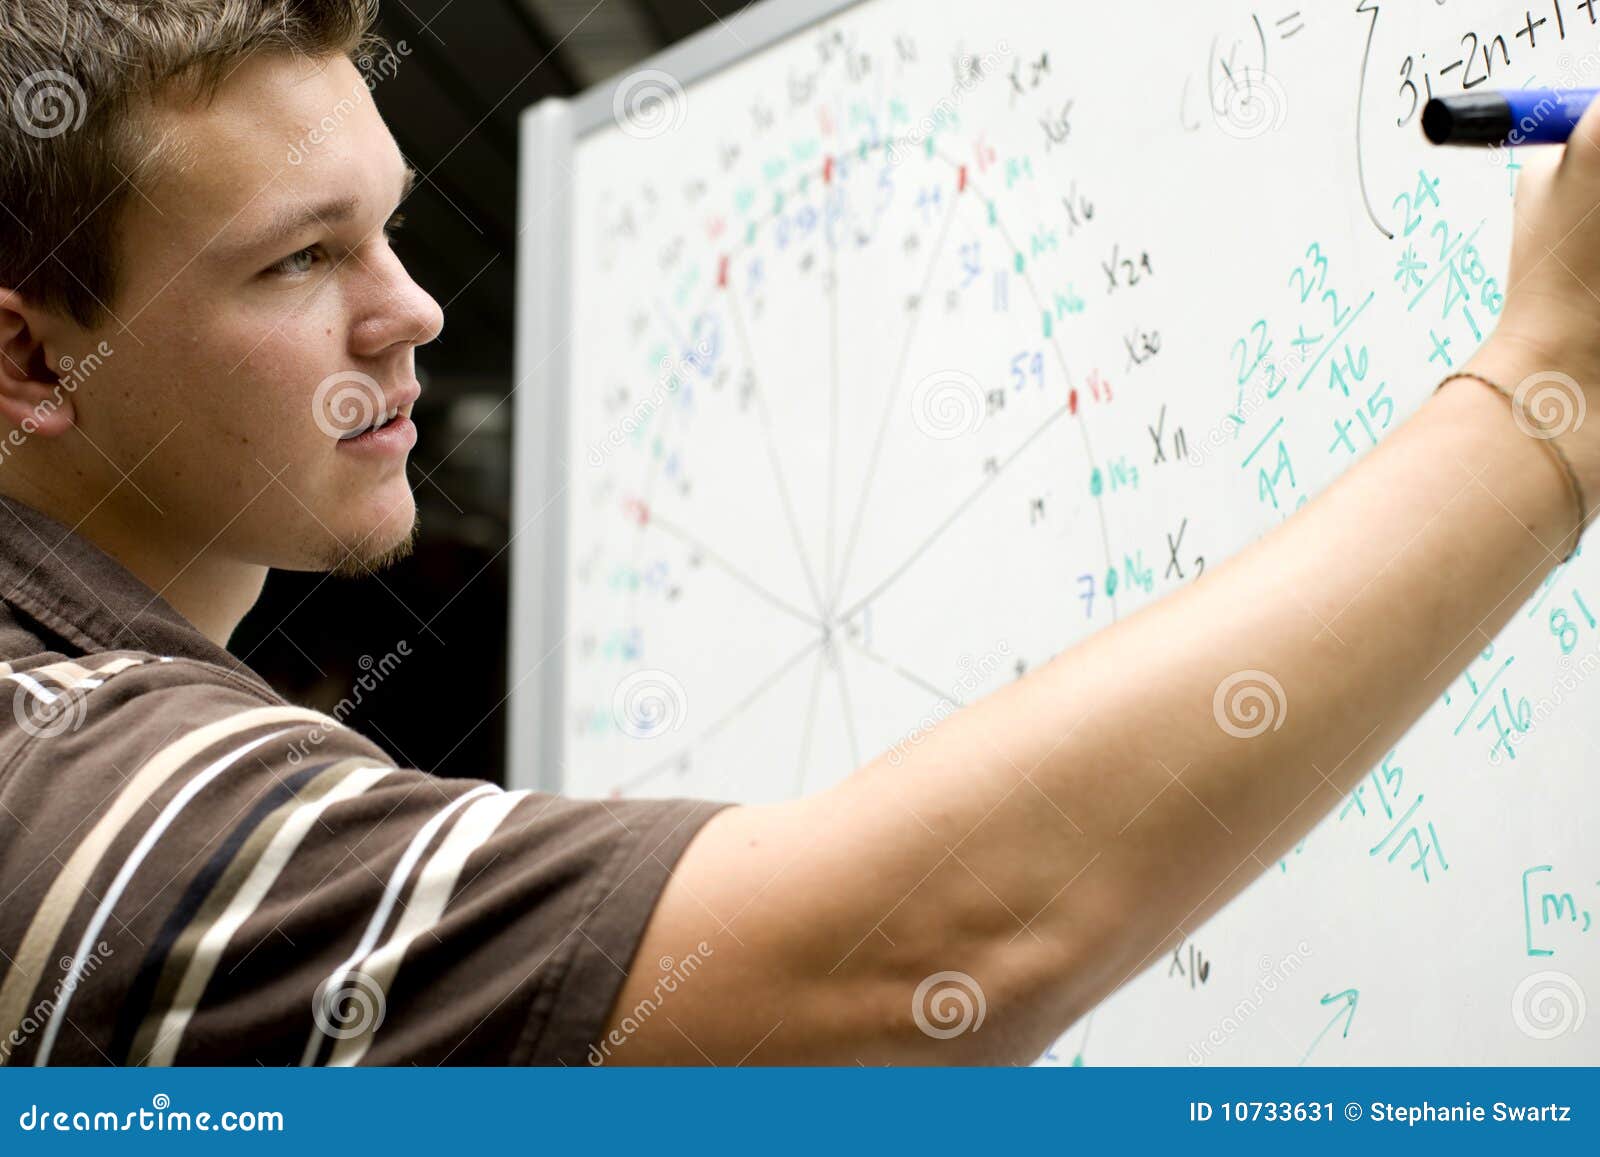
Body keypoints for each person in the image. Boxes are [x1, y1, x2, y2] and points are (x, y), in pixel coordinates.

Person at [0, 0, 1591, 1067]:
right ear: (31, 357)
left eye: (392, 227)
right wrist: (1547, 393)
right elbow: (918, 960)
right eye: (297, 260)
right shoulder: (74, 791)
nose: (409, 307)